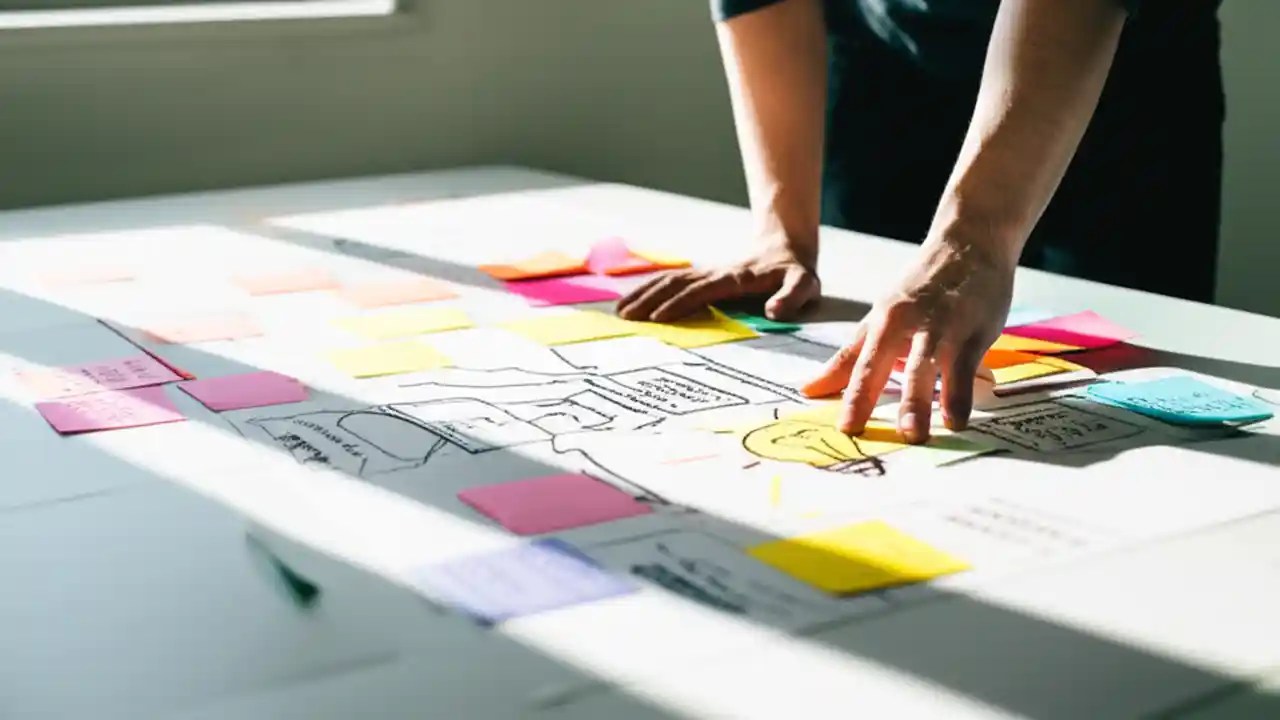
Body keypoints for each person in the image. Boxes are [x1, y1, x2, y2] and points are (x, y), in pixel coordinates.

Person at [617, 0, 1223, 444]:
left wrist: (973, 238)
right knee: (880, 345)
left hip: (1113, 57)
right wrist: (782, 232)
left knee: (1138, 401)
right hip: (888, 59)